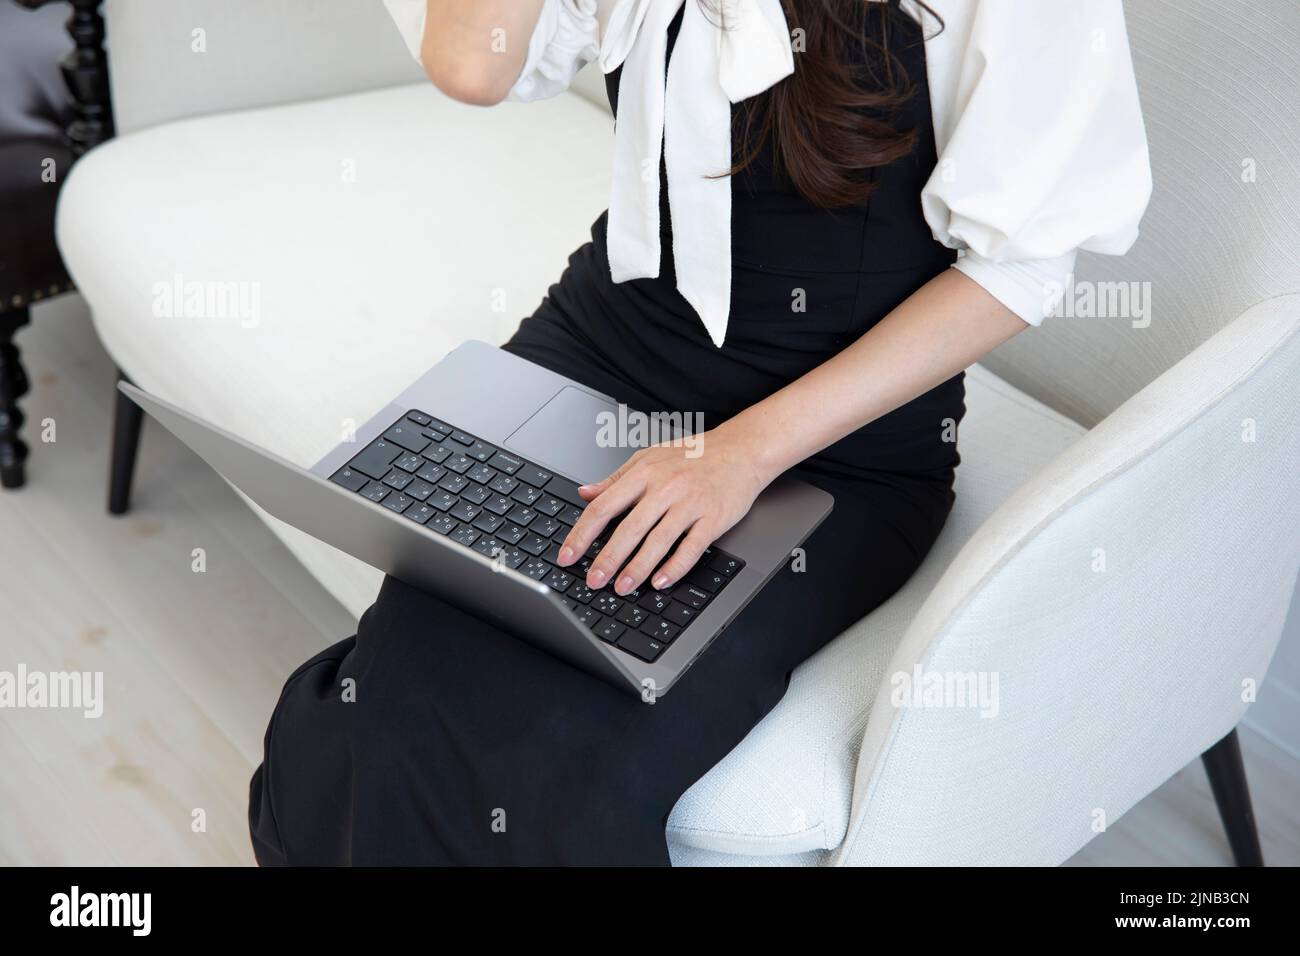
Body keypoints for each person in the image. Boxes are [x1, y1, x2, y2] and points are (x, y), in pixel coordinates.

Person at [249, 0, 1151, 865]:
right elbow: (473, 63)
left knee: (558, 773)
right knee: (391, 705)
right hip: (608, 348)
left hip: (831, 441)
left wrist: (739, 454)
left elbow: (1025, 269)